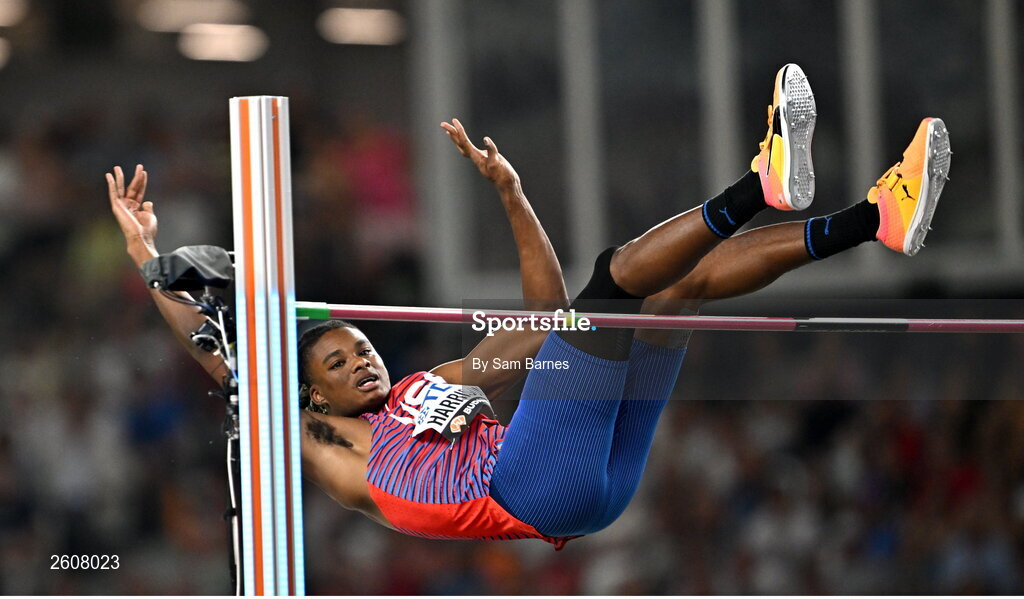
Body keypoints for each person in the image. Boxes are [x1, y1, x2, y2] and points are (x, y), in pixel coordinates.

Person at [108, 64, 951, 548]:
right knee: (612, 281)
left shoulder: (433, 385)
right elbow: (220, 354)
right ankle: (759, 185)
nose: (361, 358)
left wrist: (512, 196)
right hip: (531, 488)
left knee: (670, 295)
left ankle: (875, 217)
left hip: (588, 487)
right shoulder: (317, 436)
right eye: (338, 360)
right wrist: (148, 256)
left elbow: (546, 317)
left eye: (361, 345)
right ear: (311, 391)